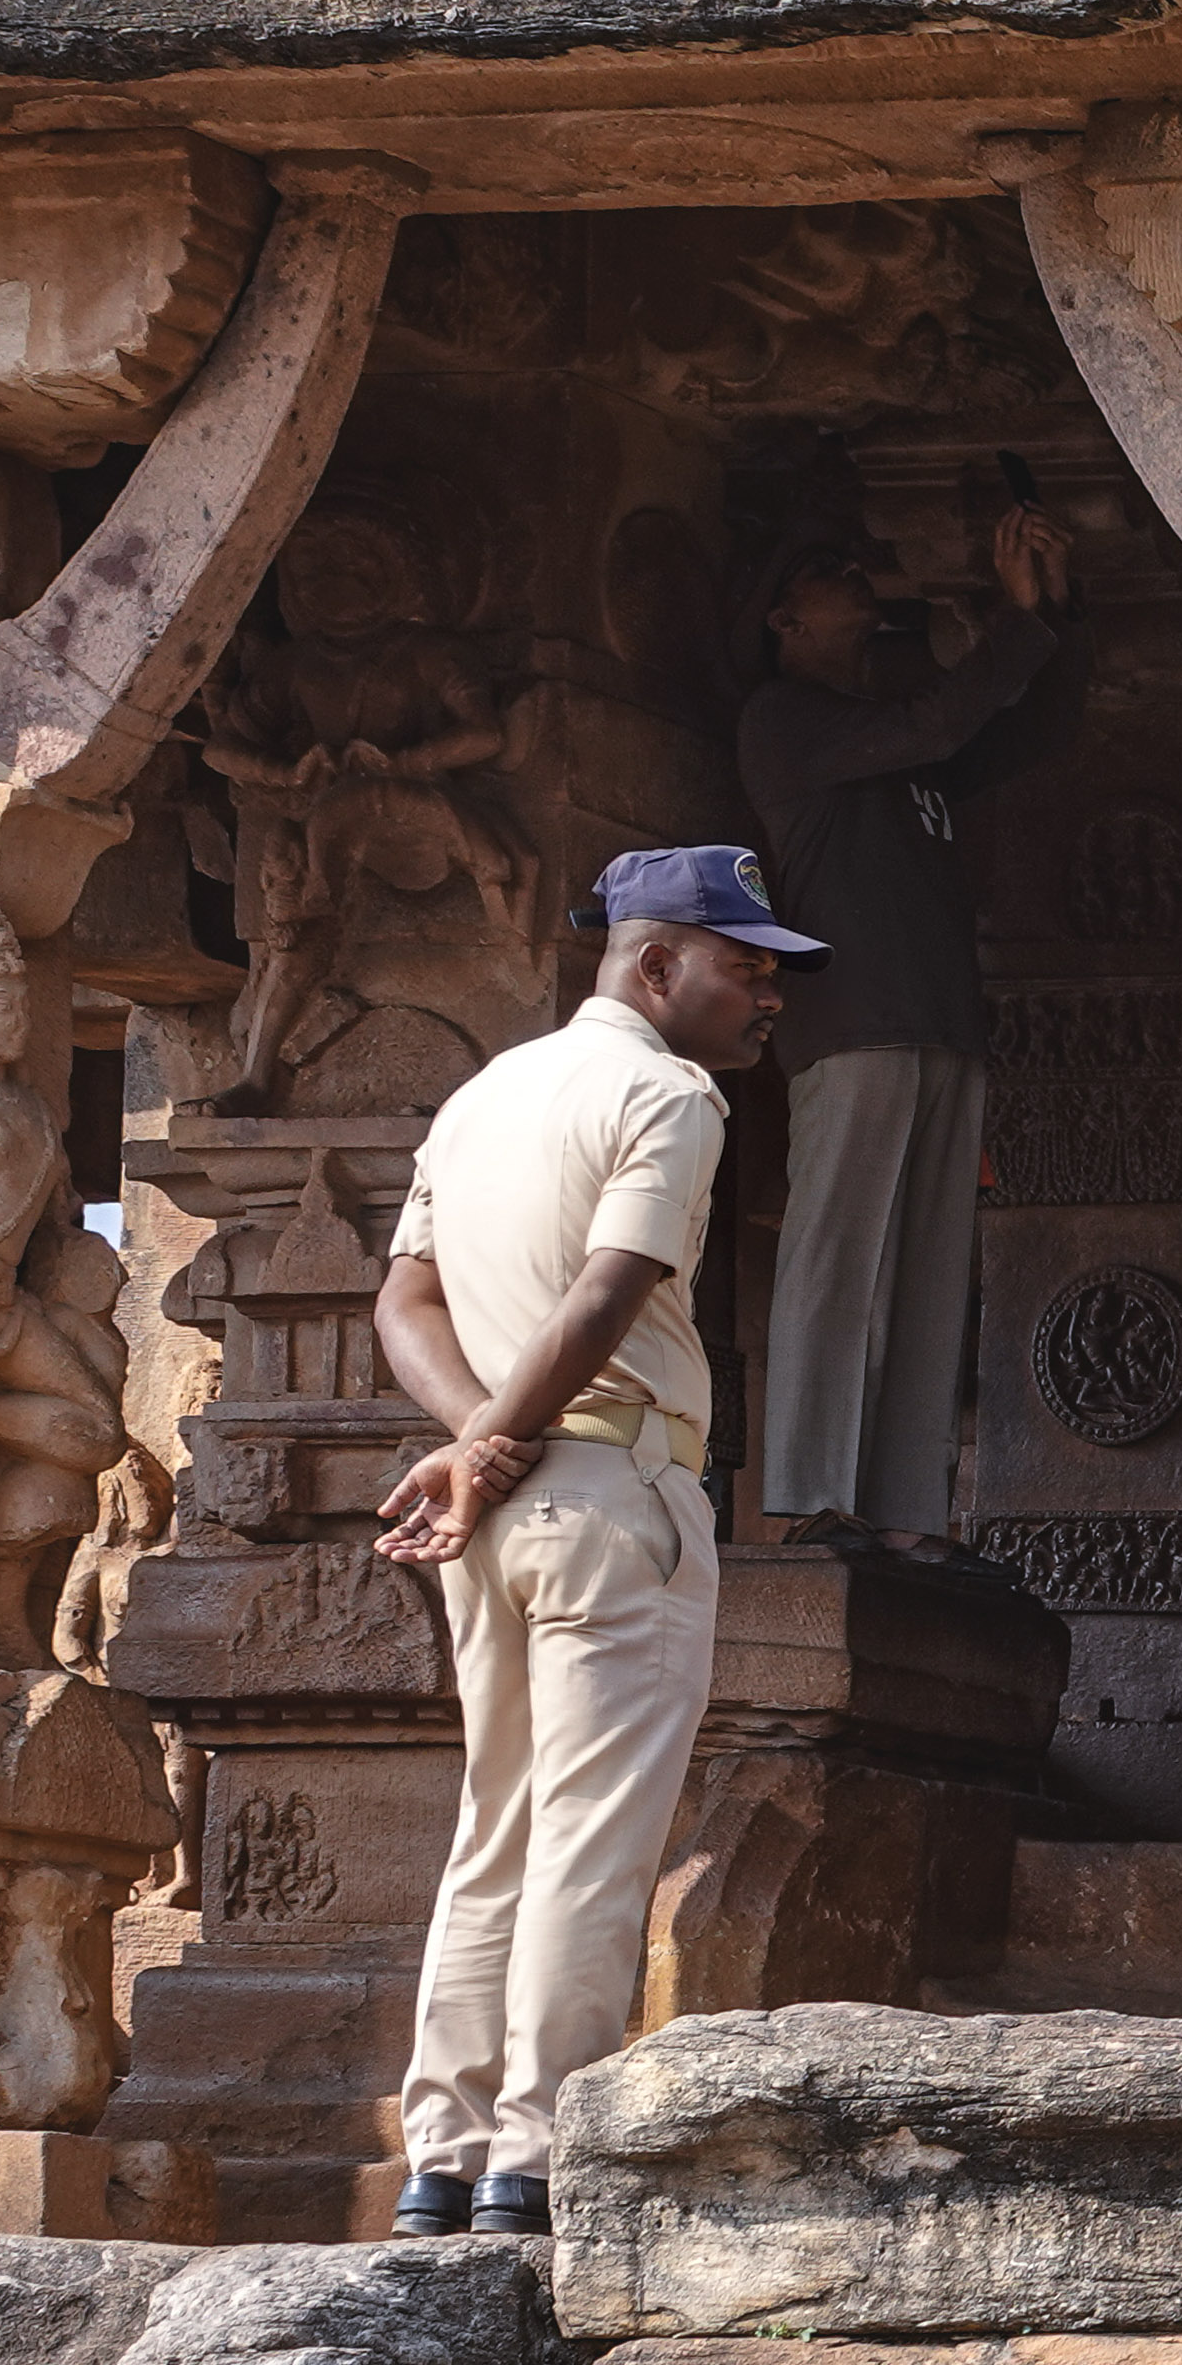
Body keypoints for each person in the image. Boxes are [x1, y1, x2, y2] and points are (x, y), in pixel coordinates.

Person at [366, 849, 817, 2240]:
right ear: (657, 964)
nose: (769, 1001)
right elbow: (613, 1288)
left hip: (494, 1512)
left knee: (494, 1825)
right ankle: (540, 2154)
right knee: (587, 1841)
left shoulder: (482, 1096)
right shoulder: (665, 1095)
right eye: (747, 969)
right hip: (611, 1488)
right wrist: (494, 1441)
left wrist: (473, 1443)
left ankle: (441, 2155)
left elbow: (403, 1303)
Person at [734, 501, 1073, 1565]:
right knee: (838, 1256)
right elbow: (933, 721)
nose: (860, 576)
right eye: (832, 567)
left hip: (937, 1018)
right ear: (784, 617)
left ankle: (907, 1512)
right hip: (853, 1023)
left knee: (930, 1272)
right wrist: (1013, 623)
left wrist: (1053, 613)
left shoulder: (903, 747)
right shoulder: (783, 721)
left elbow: (1028, 730)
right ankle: (809, 1492)